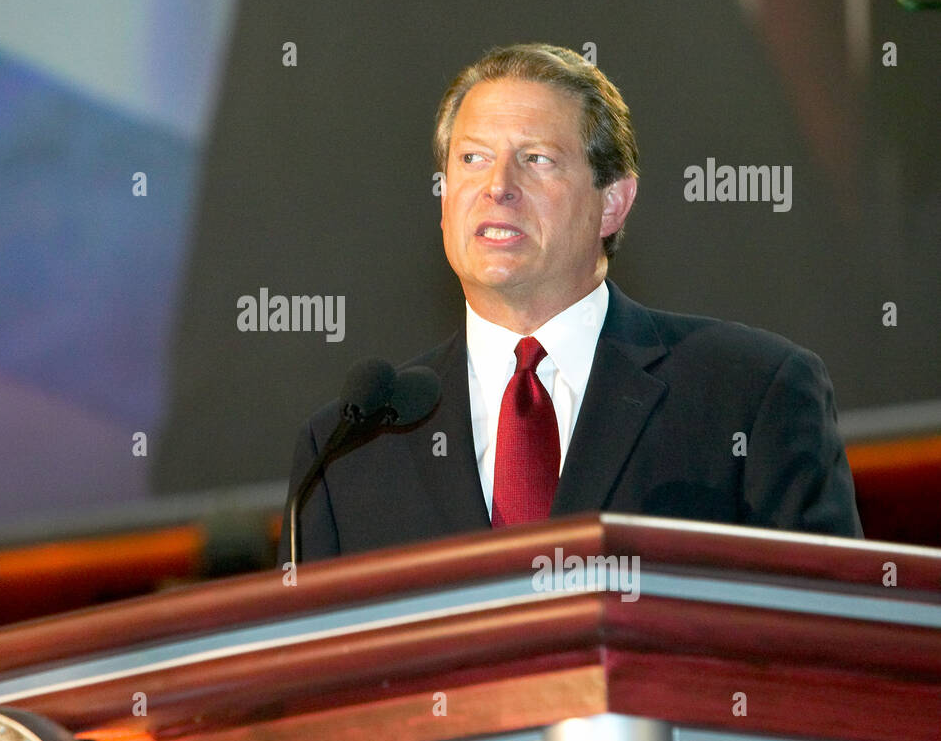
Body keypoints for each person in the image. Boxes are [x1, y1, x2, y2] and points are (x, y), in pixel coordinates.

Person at [279, 43, 862, 565]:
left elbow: (830, 643)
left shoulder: (750, 393)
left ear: (613, 203)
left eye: (536, 159)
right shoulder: (348, 453)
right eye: (472, 159)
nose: (498, 186)